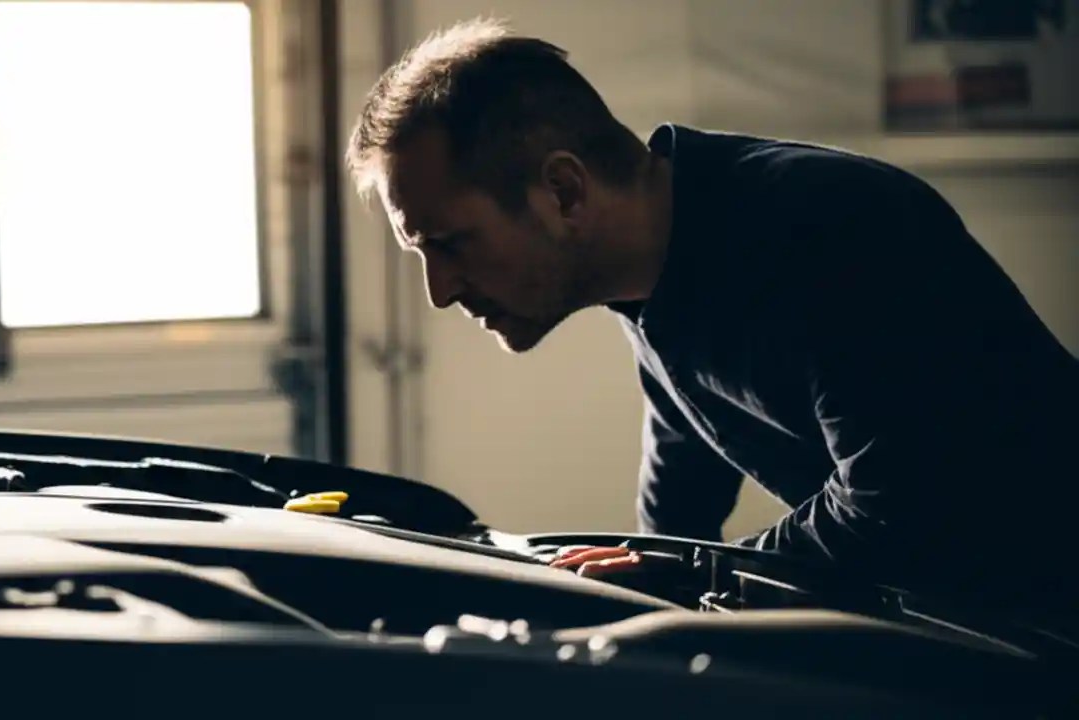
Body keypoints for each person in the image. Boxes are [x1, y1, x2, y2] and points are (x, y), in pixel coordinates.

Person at [345, 18, 1079, 609]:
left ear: (564, 192)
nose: (438, 290)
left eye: (447, 243)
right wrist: (647, 582)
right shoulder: (650, 283)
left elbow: (898, 505)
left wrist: (701, 579)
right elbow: (673, 529)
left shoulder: (830, 227)